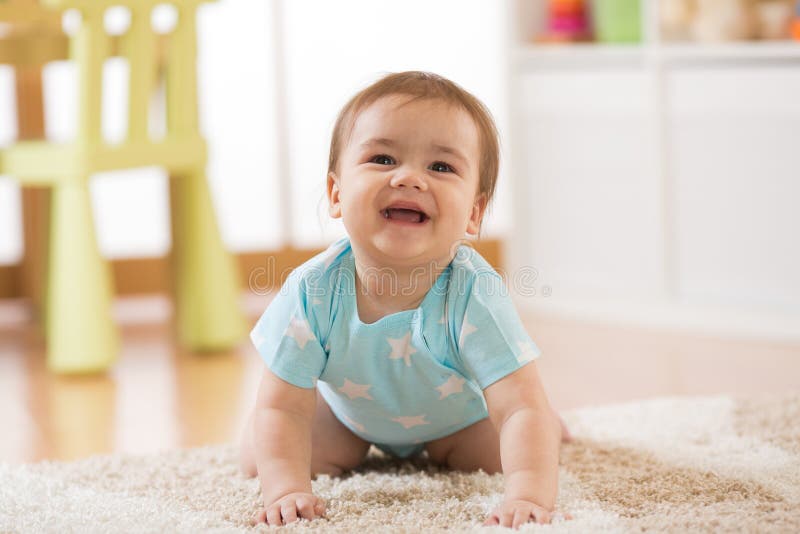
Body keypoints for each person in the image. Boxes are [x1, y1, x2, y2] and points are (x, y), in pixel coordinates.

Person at [240, 71, 571, 529]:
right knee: (260, 454)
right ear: (336, 194)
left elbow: (518, 405)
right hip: (349, 420)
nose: (410, 178)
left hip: (457, 420)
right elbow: (282, 405)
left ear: (473, 213)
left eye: (441, 167)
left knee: (524, 444)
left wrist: (529, 495)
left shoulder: (475, 292)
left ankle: (552, 427)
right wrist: (287, 489)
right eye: (382, 157)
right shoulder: (312, 290)